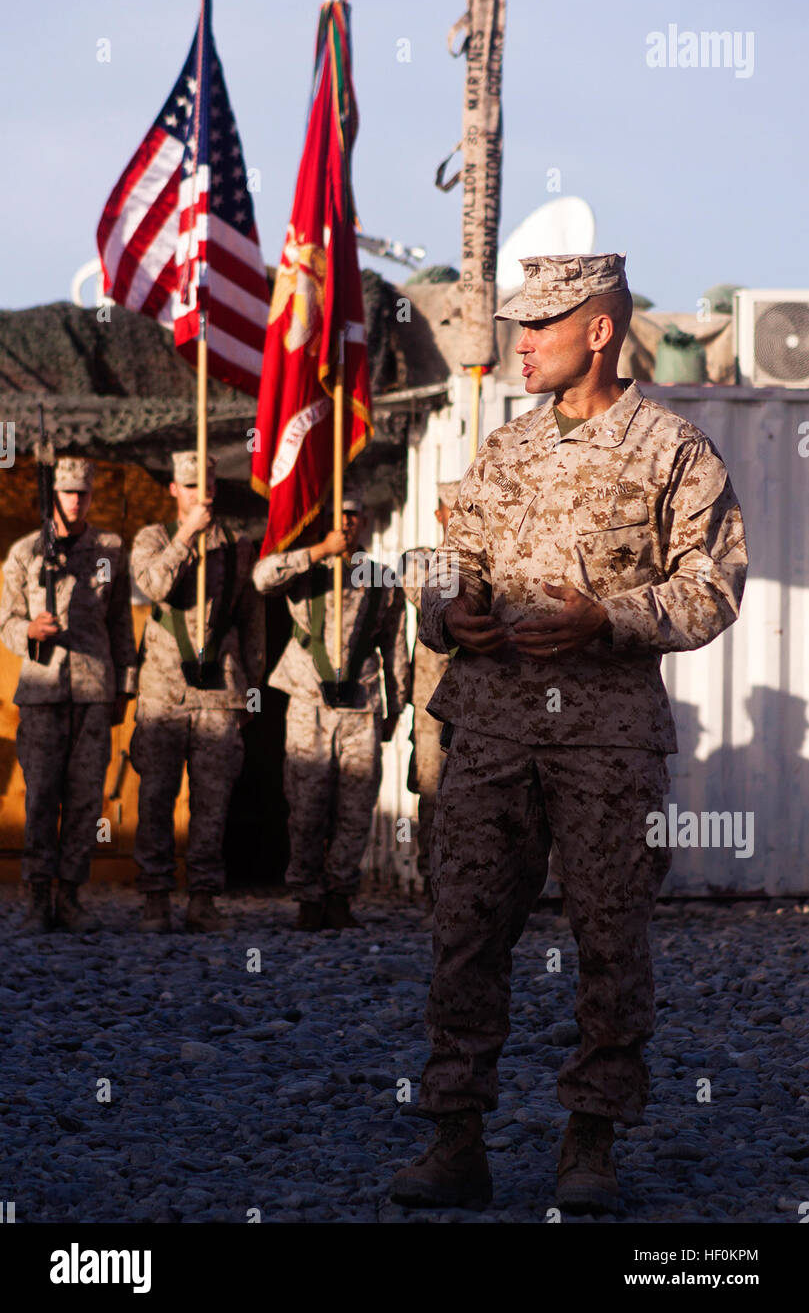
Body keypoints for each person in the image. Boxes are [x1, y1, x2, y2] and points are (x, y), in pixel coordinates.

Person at [390, 252, 748, 1214]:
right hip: (492, 731)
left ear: (597, 330)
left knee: (608, 939)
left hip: (606, 742)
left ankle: (589, 1145)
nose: (521, 343)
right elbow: (449, 561)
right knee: (464, 933)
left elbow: (712, 587)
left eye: (538, 326)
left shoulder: (674, 452)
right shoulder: (504, 451)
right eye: (517, 326)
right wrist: (448, 608)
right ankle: (455, 1140)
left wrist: (608, 619)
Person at [253, 497, 411, 931]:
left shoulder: (381, 580)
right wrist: (319, 550)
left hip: (361, 703)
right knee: (306, 804)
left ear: (363, 521)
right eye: (338, 514)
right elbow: (262, 579)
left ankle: (340, 894)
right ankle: (307, 896)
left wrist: (396, 706)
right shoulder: (306, 570)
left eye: (353, 515)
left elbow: (395, 646)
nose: (346, 522)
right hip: (309, 699)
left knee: (356, 805)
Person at [130, 452, 265, 933]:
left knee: (213, 801)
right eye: (189, 486)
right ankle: (155, 897)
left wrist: (252, 687)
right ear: (174, 490)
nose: (199, 495)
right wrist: (187, 535)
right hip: (163, 692)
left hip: (220, 691)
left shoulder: (238, 544)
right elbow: (152, 587)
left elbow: (251, 620)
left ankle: (203, 897)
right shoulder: (153, 538)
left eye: (205, 486)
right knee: (156, 797)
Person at [0, 457, 137, 932]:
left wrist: (126, 687)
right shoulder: (26, 552)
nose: (75, 501)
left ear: (91, 495)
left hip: (94, 689)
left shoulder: (110, 549)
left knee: (85, 799)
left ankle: (72, 895)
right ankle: (38, 897)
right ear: (52, 496)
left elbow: (120, 621)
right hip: (42, 690)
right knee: (41, 796)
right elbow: (5, 621)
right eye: (66, 493)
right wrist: (30, 631)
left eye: (83, 493)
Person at [401, 482, 459, 912]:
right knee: (433, 792)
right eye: (451, 510)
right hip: (432, 702)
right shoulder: (421, 561)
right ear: (439, 516)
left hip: (482, 697)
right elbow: (427, 596)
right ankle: (432, 883)